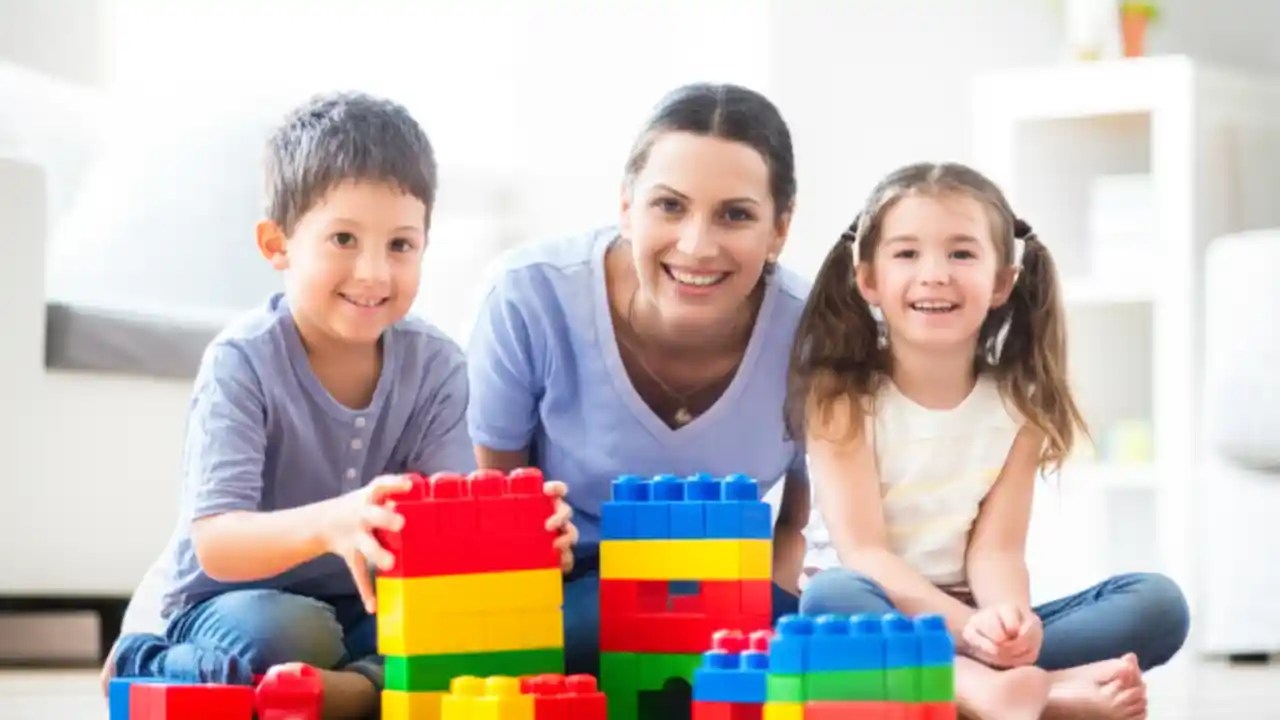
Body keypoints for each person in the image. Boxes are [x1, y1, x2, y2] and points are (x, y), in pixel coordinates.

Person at [101, 91, 576, 718]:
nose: (374, 273)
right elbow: (217, 542)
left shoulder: (436, 365)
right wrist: (333, 522)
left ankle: (339, 691)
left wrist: (523, 546)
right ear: (278, 245)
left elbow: (447, 530)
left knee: (493, 640)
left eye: (401, 245)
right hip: (238, 602)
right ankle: (149, 662)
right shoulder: (243, 361)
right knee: (292, 634)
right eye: (344, 238)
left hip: (371, 605)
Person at [789, 162, 1189, 720]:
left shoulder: (1015, 407)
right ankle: (1035, 694)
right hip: (873, 615)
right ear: (868, 279)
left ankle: (981, 684)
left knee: (1159, 604)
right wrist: (969, 632)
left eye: (961, 253)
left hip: (966, 619)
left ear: (1002, 281)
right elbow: (866, 554)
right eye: (907, 254)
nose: (934, 274)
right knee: (831, 597)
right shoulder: (840, 397)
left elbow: (996, 550)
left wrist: (1006, 620)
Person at [465, 82, 812, 676]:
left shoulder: (814, 331)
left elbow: (797, 526)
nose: (698, 246)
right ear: (626, 207)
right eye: (669, 206)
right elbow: (502, 516)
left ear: (779, 228)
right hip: (566, 592)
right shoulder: (529, 296)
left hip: (728, 600)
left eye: (736, 215)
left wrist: (759, 624)